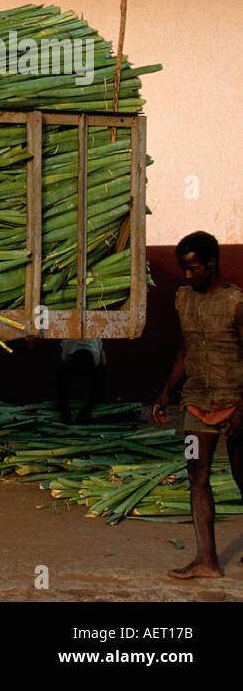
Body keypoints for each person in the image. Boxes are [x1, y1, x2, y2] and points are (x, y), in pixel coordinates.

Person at [152, 230, 243, 579]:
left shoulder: (236, 303)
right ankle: (207, 560)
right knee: (196, 475)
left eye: (193, 269)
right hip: (195, 405)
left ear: (212, 264)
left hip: (234, 403)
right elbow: (184, 352)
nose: (187, 276)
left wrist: (242, 411)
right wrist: (166, 392)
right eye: (183, 270)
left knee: (241, 475)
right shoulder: (183, 300)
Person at [57, 338, 106, 424]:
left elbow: (98, 388)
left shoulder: (97, 358)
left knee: (101, 380)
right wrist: (65, 412)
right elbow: (61, 389)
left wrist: (87, 410)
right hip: (72, 345)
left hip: (91, 348)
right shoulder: (66, 356)